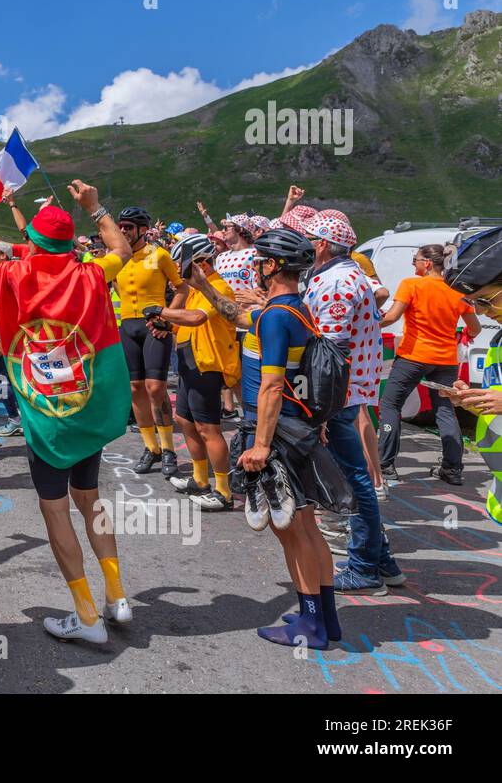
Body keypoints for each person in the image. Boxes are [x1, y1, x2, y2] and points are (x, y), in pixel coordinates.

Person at [0, 180, 136, 644]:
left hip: (46, 417)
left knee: (57, 513)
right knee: (90, 500)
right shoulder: (91, 272)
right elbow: (122, 249)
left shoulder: (14, 275)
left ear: (31, 244)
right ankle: (117, 595)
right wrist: (96, 207)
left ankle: (88, 616)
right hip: (86, 411)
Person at [188, 229, 343, 649]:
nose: (255, 267)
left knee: (291, 529)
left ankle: (311, 626)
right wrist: (202, 284)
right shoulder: (291, 310)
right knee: (305, 527)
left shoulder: (276, 317)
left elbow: (272, 385)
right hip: (299, 428)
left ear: (272, 266)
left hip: (278, 434)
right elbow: (238, 317)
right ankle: (325, 618)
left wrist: (259, 445)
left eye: (260, 261)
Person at [298, 213, 403, 594]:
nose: (305, 244)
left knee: (354, 480)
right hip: (346, 390)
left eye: (309, 238)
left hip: (339, 393)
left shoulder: (339, 281)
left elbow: (331, 350)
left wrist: (321, 406)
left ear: (323, 244)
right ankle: (383, 561)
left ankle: (364, 568)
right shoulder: (343, 275)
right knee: (354, 477)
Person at [149, 233, 240, 511]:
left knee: (208, 428)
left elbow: (197, 317)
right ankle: (200, 480)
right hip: (190, 360)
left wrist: (161, 311)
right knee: (185, 421)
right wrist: (168, 327)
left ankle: (223, 491)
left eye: (184, 265)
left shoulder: (217, 287)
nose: (179, 270)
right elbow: (187, 324)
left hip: (207, 365)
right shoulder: (195, 291)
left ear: (203, 264)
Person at [378, 244, 481, 485]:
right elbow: (475, 328)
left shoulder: (411, 285)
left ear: (427, 263)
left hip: (413, 357)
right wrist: (460, 334)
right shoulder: (457, 291)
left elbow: (392, 317)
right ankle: (452, 468)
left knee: (391, 406)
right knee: (445, 411)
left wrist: (361, 326)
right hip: (445, 361)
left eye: (415, 260)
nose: (412, 264)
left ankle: (385, 466)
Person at [112, 206, 185, 476]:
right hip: (128, 326)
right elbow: (117, 286)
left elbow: (182, 287)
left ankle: (168, 449)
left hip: (155, 326)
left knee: (155, 388)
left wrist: (169, 320)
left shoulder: (159, 254)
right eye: (120, 226)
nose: (122, 231)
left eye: (128, 227)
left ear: (142, 230)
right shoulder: (116, 257)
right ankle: (150, 447)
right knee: (135, 388)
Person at [443, 227, 502, 523]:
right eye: (474, 304)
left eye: (486, 300)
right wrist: (474, 401)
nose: (480, 311)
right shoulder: (499, 340)